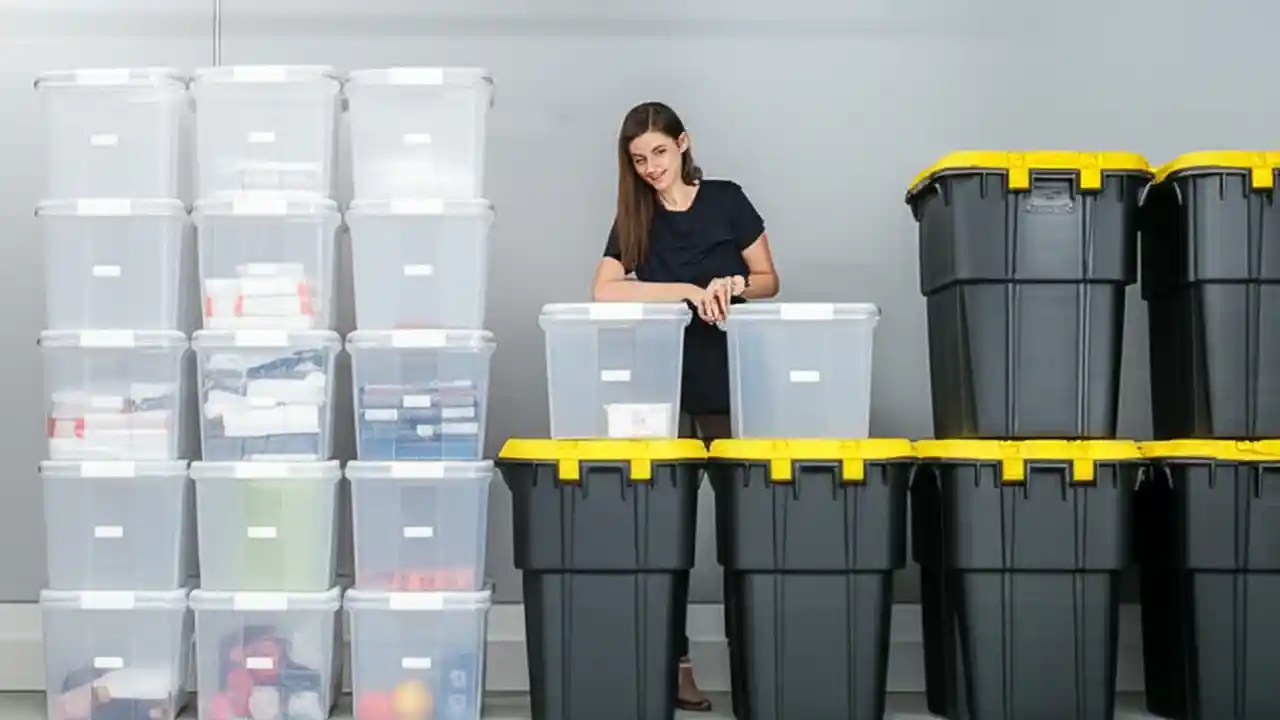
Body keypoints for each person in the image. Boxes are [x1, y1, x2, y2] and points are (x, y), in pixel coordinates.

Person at [591, 101, 780, 712]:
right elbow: (604, 290)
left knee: (745, 534)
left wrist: (734, 286)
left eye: (660, 153)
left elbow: (770, 277)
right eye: (639, 159)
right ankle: (674, 666)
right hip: (660, 390)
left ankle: (757, 658)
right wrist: (688, 292)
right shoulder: (635, 218)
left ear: (683, 144)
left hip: (731, 383)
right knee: (660, 538)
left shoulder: (726, 199)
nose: (650, 168)